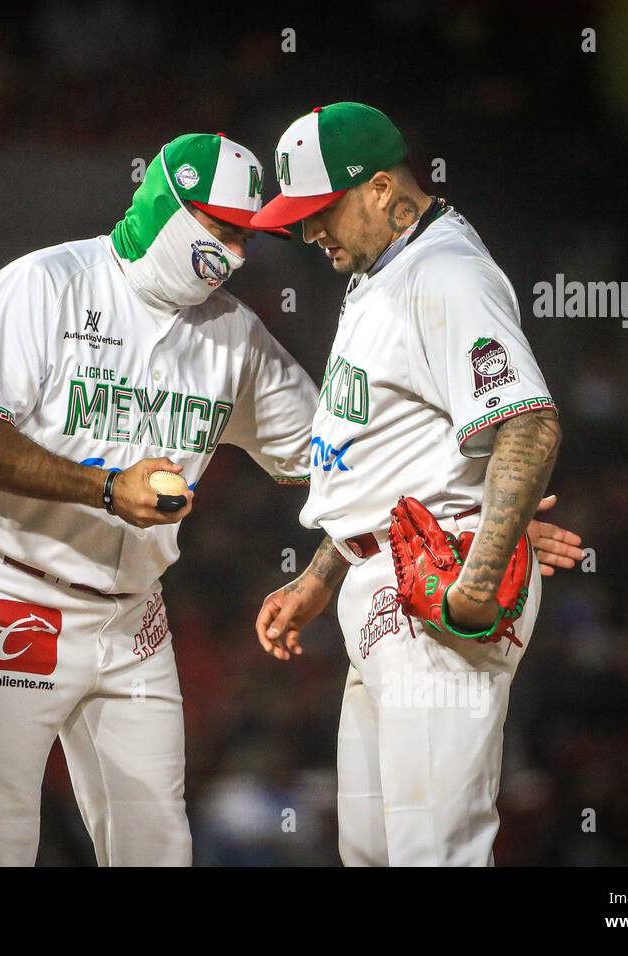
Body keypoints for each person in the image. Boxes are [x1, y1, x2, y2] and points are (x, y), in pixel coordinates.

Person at [0, 131, 581, 866]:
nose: (238, 250)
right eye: (223, 228)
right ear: (167, 208)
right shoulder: (46, 283)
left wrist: (491, 517)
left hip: (132, 611)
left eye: (247, 234)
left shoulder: (233, 333)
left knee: (157, 847)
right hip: (12, 590)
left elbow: (344, 462)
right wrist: (106, 489)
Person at [251, 103, 573, 866]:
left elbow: (528, 424)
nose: (307, 233)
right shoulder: (384, 269)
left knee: (435, 851)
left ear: (383, 190)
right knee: (373, 851)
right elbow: (387, 459)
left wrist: (477, 583)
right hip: (385, 573)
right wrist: (325, 574)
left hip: (436, 581)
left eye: (319, 211)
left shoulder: (446, 274)